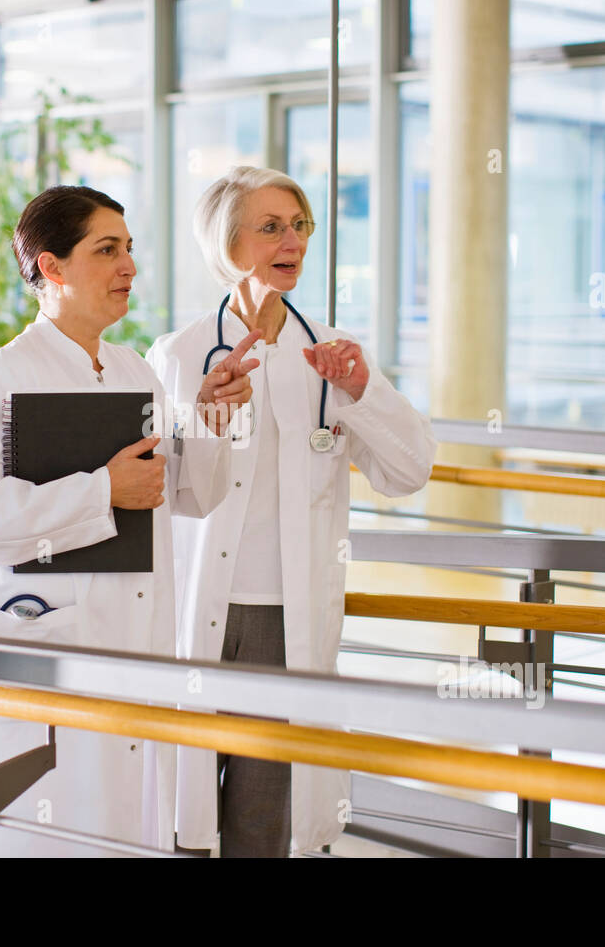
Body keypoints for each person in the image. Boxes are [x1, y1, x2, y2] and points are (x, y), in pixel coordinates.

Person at [0, 185, 260, 856]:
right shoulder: (4, 378)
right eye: (106, 250)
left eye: (130, 249)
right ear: (52, 268)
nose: (129, 267)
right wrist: (99, 491)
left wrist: (208, 419)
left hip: (137, 645)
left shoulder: (135, 372)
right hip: (51, 643)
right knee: (58, 831)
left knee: (130, 828)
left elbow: (187, 497)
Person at [146, 166, 437, 857]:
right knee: (180, 811)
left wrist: (365, 394)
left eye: (301, 226)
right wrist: (205, 416)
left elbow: (408, 472)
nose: (293, 241)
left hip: (287, 617)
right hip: (193, 611)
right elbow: (160, 489)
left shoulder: (332, 356)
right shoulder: (179, 354)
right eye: (271, 226)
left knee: (262, 823)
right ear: (228, 242)